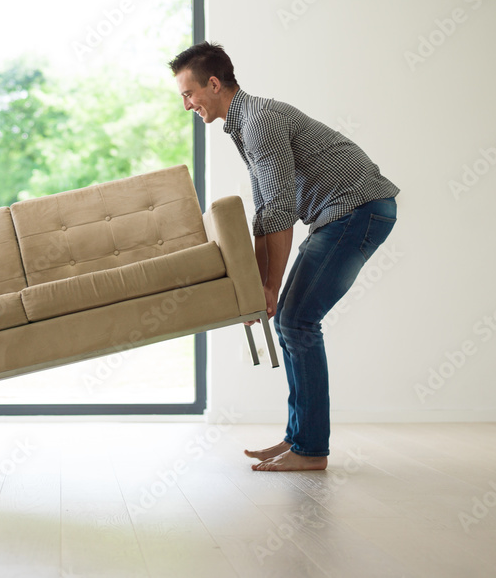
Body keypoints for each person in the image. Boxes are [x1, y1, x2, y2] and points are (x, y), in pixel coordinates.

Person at [170, 42, 399, 472]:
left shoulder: (258, 122)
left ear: (213, 84)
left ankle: (311, 449)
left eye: (188, 94)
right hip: (341, 214)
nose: (186, 105)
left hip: (357, 209)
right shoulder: (244, 125)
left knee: (296, 321)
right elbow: (265, 213)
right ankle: (300, 438)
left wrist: (268, 286)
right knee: (292, 320)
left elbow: (278, 211)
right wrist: (258, 288)